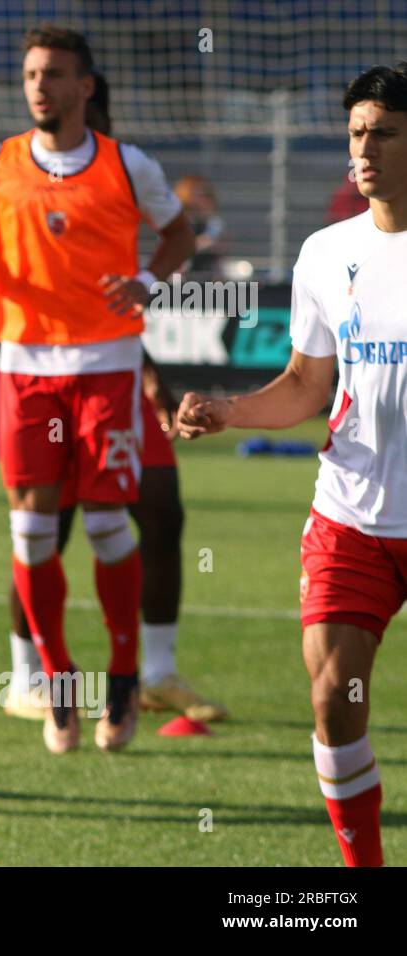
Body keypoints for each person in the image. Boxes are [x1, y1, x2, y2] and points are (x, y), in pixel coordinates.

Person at [0, 26, 195, 753]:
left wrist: (146, 283)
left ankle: (121, 677)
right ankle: (56, 685)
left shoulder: (127, 164)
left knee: (112, 526)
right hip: (24, 370)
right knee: (31, 530)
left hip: (106, 367)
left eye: (53, 74)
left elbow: (179, 236)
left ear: (85, 85)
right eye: (29, 74)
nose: (39, 86)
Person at [178, 62, 407, 866]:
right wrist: (227, 410)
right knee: (332, 700)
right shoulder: (325, 254)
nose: (365, 150)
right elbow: (307, 382)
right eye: (356, 133)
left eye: (383, 132)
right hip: (352, 516)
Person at [174, 175, 227, 276]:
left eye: (206, 196)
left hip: (208, 278)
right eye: (198, 195)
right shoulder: (179, 222)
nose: (202, 200)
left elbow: (217, 244)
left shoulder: (214, 222)